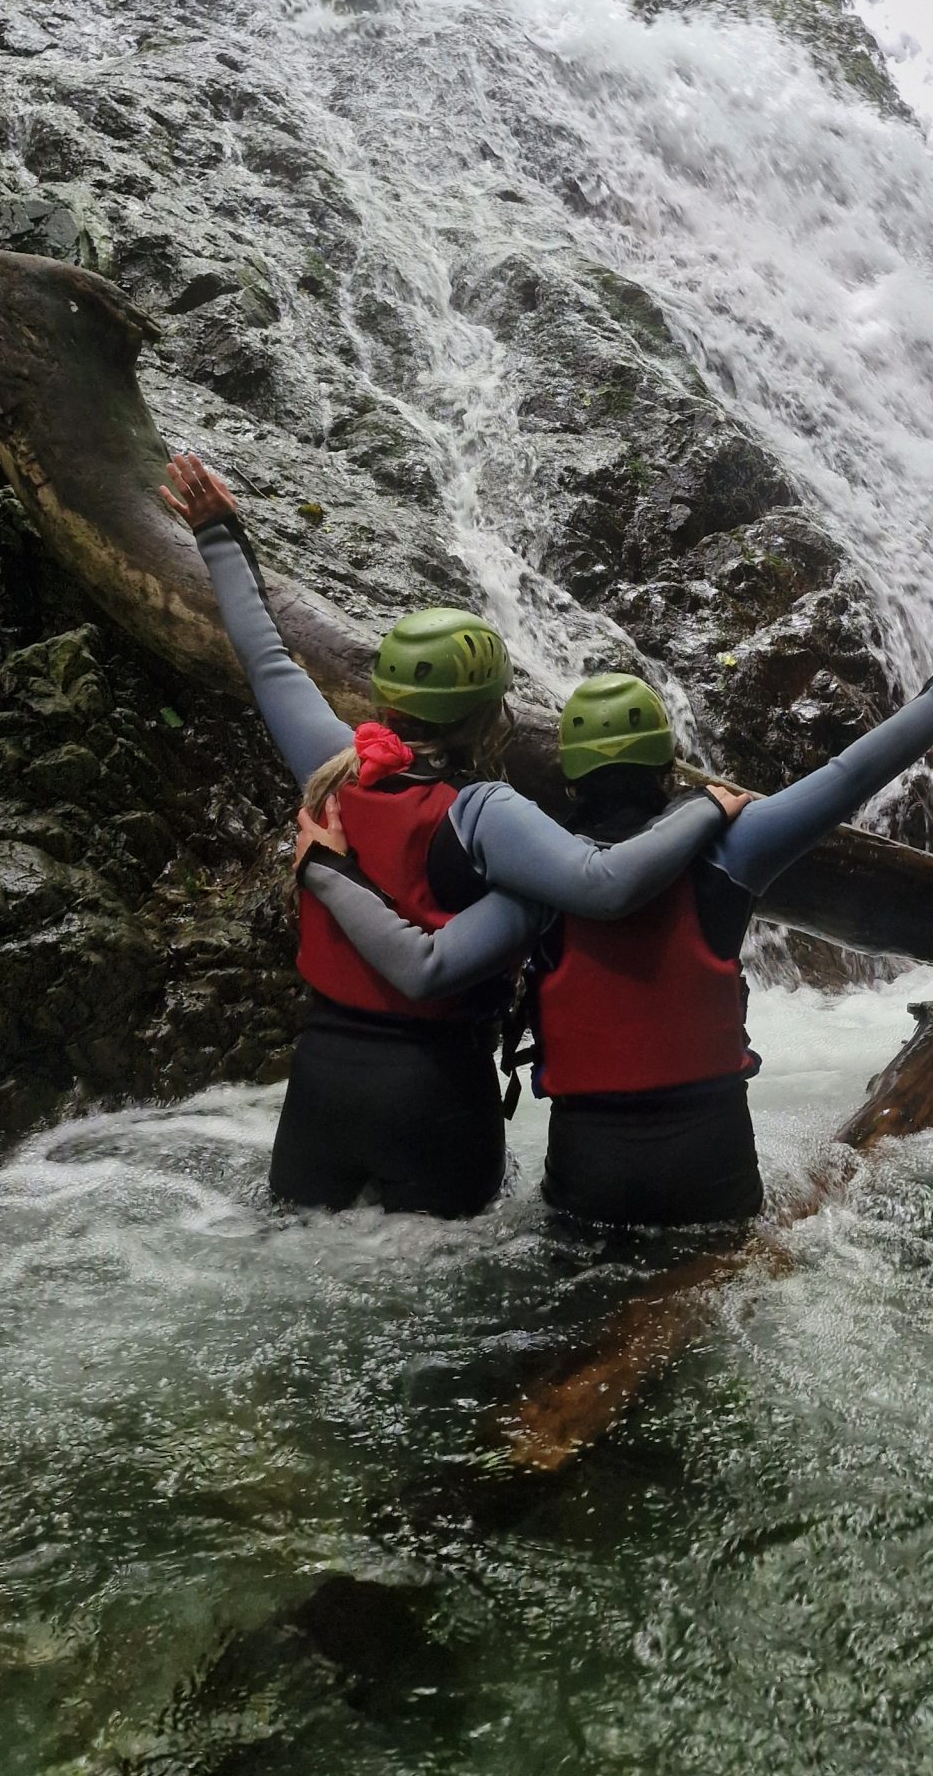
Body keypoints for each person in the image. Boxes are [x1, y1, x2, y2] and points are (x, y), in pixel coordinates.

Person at [294, 610, 933, 1227]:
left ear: (570, 770)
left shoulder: (536, 871)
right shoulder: (735, 846)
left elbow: (426, 962)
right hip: (711, 1169)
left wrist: (325, 868)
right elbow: (848, 778)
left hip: (585, 1179)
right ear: (667, 768)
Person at [159, 452, 743, 1218]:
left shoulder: (333, 767)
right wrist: (705, 805)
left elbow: (266, 659)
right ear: (490, 715)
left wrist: (221, 536)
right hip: (434, 1095)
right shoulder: (487, 814)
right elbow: (605, 885)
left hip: (321, 1084)